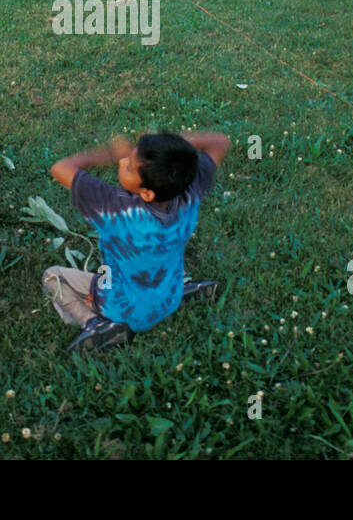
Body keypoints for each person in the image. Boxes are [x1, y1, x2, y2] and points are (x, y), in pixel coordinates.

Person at [41, 130, 230, 353]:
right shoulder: (191, 190)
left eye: (130, 166)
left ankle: (94, 323)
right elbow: (220, 142)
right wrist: (167, 151)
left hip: (120, 308)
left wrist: (108, 155)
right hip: (170, 297)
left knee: (53, 276)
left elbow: (60, 168)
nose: (123, 161)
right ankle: (182, 288)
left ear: (147, 193)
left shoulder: (115, 208)